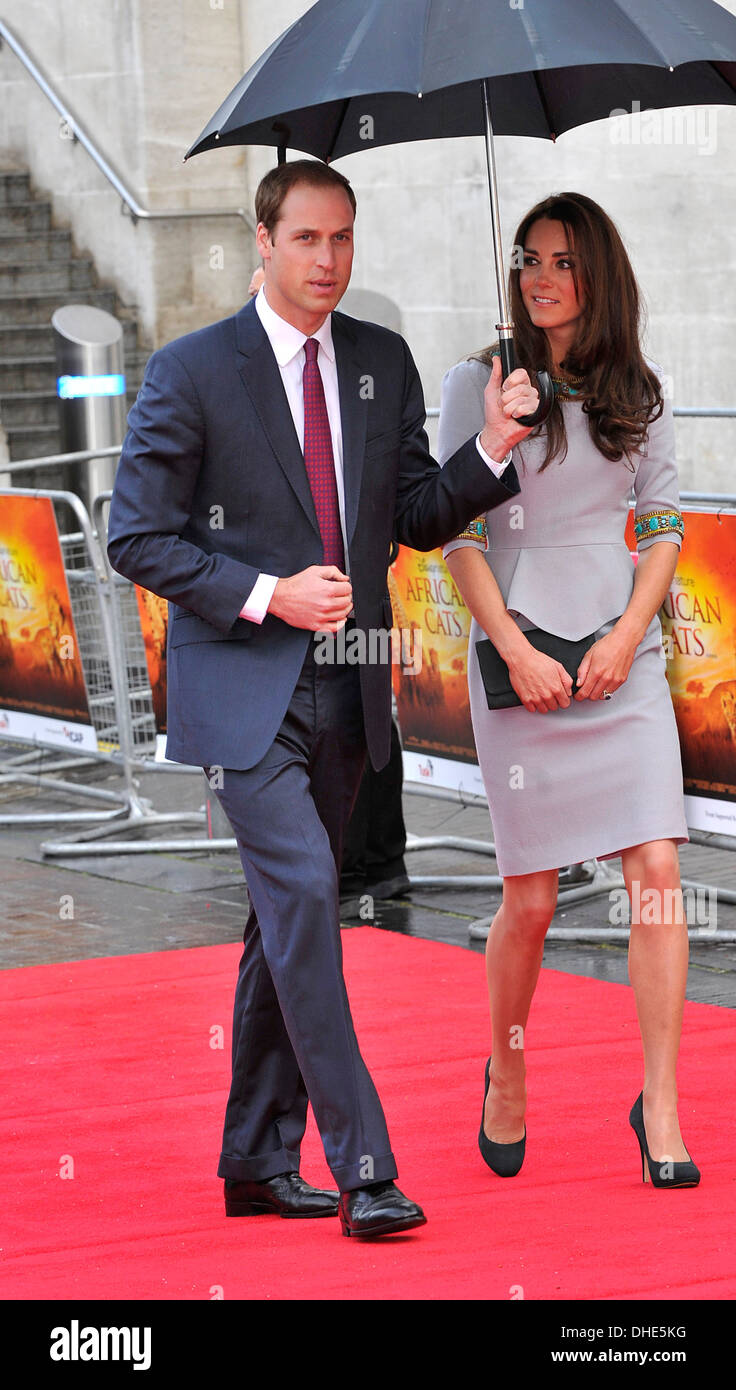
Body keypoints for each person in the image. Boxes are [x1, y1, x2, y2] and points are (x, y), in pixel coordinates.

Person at [107, 159, 537, 1237]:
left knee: (278, 922)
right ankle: (365, 1168)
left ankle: (255, 1159)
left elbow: (417, 515)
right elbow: (135, 537)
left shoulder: (380, 363)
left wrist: (491, 444)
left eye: (343, 239)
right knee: (303, 900)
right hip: (239, 692)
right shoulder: (192, 370)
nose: (328, 261)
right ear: (262, 240)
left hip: (349, 695)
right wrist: (266, 591)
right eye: (306, 239)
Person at [438, 192, 699, 1189]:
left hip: (620, 662)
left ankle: (662, 1104)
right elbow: (454, 533)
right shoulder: (481, 380)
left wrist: (631, 633)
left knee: (658, 872)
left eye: (562, 261)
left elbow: (662, 523)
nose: (542, 278)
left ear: (598, 275)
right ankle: (505, 1068)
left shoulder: (641, 387)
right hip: (518, 657)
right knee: (532, 900)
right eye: (528, 260)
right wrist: (512, 646)